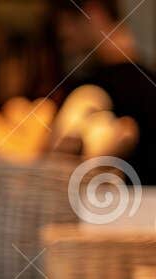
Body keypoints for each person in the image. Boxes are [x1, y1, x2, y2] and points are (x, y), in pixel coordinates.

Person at [55, 0, 156, 181]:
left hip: (111, 205)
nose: (63, 32)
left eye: (67, 22)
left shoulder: (92, 87)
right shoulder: (147, 80)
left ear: (94, 14)